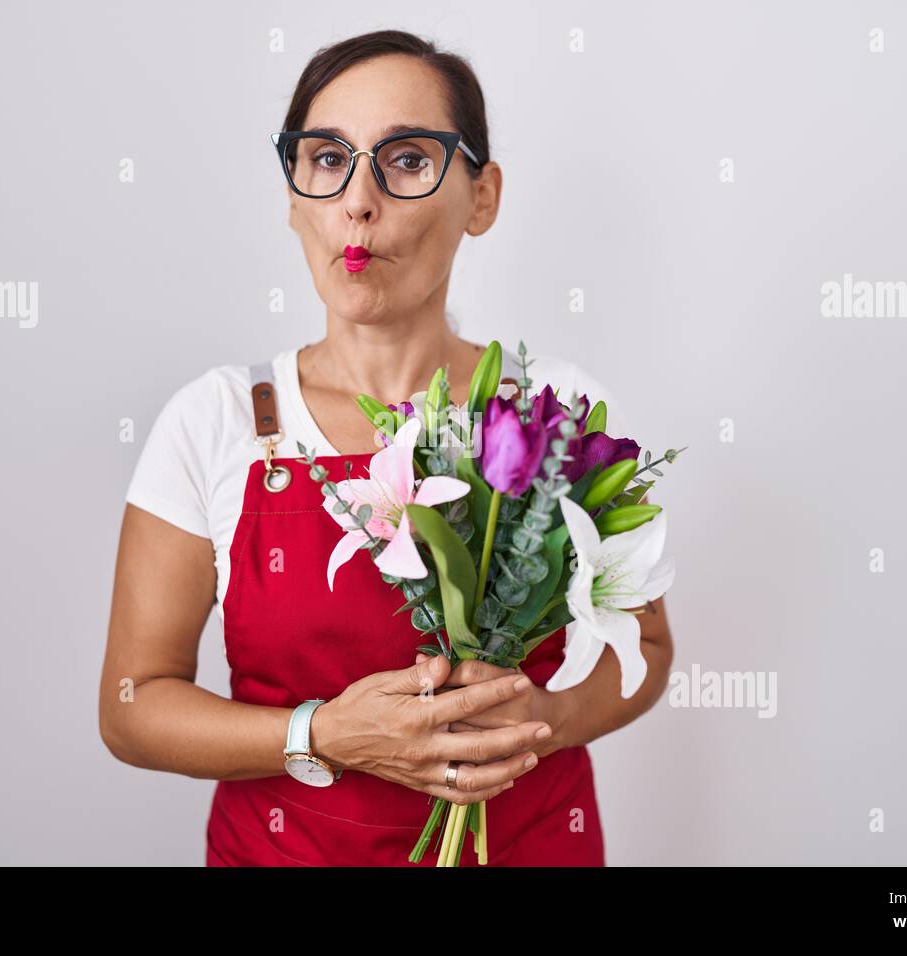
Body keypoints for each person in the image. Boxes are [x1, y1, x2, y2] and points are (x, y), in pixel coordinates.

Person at [98, 29, 674, 866]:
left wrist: (545, 722)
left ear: (483, 197)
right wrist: (325, 734)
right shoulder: (217, 421)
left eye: (406, 160)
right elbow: (132, 706)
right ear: (293, 196)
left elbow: (647, 650)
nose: (357, 202)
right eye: (327, 159)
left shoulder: (553, 414)